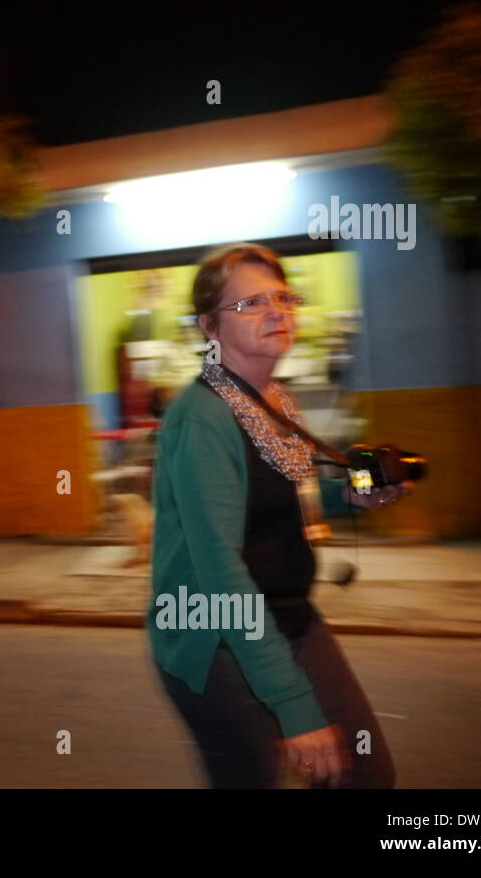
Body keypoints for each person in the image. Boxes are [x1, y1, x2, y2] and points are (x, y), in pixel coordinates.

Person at [147, 243, 406, 789]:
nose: (277, 312)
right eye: (251, 304)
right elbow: (219, 568)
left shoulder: (275, 400)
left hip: (289, 617)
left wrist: (350, 497)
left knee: (366, 776)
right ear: (208, 327)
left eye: (283, 298)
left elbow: (288, 499)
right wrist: (294, 706)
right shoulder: (201, 419)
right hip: (216, 638)